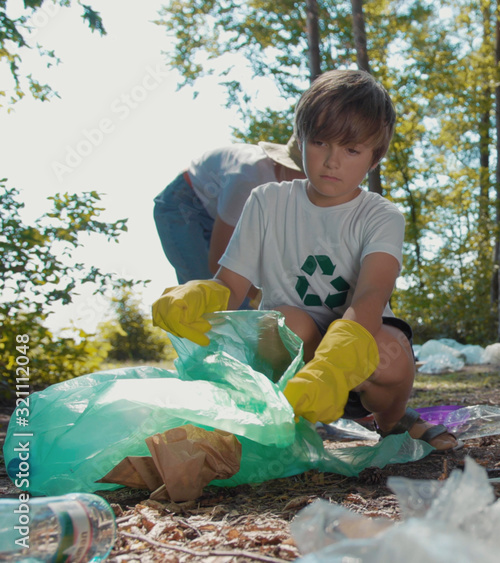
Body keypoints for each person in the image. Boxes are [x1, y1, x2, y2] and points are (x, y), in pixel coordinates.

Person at [152, 69, 457, 451]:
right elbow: (231, 285)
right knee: (289, 321)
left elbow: (371, 297)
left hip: (355, 361)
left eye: (351, 150)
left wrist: (335, 366)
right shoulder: (266, 201)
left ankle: (392, 420)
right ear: (300, 143)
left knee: (391, 352)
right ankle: (293, 416)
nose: (332, 161)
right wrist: (200, 296)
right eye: (320, 142)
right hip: (290, 361)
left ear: (375, 157)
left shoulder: (383, 215)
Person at [153, 139, 307, 286]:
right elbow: (218, 262)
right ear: (289, 164)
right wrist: (261, 298)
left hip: (219, 214)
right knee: (208, 286)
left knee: (237, 292)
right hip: (184, 205)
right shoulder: (249, 179)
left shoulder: (285, 191)